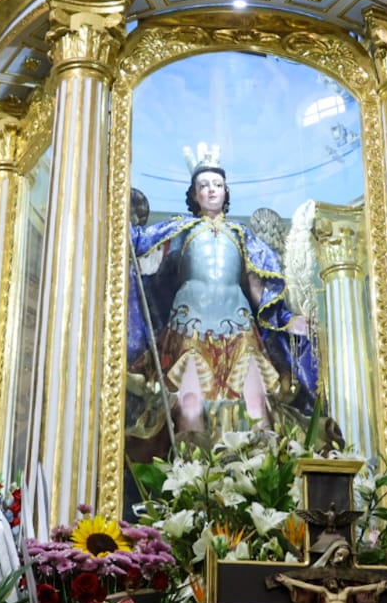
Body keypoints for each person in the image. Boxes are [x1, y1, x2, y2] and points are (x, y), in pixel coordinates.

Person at [129, 145, 317, 439]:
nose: (212, 190)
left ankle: (263, 473)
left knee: (257, 402)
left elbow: (258, 290)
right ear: (194, 195)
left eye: (217, 185)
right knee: (189, 402)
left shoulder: (242, 237)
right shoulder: (180, 231)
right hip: (189, 323)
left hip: (239, 323)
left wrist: (286, 319)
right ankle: (191, 479)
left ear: (226, 192)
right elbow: (148, 262)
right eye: (203, 186)